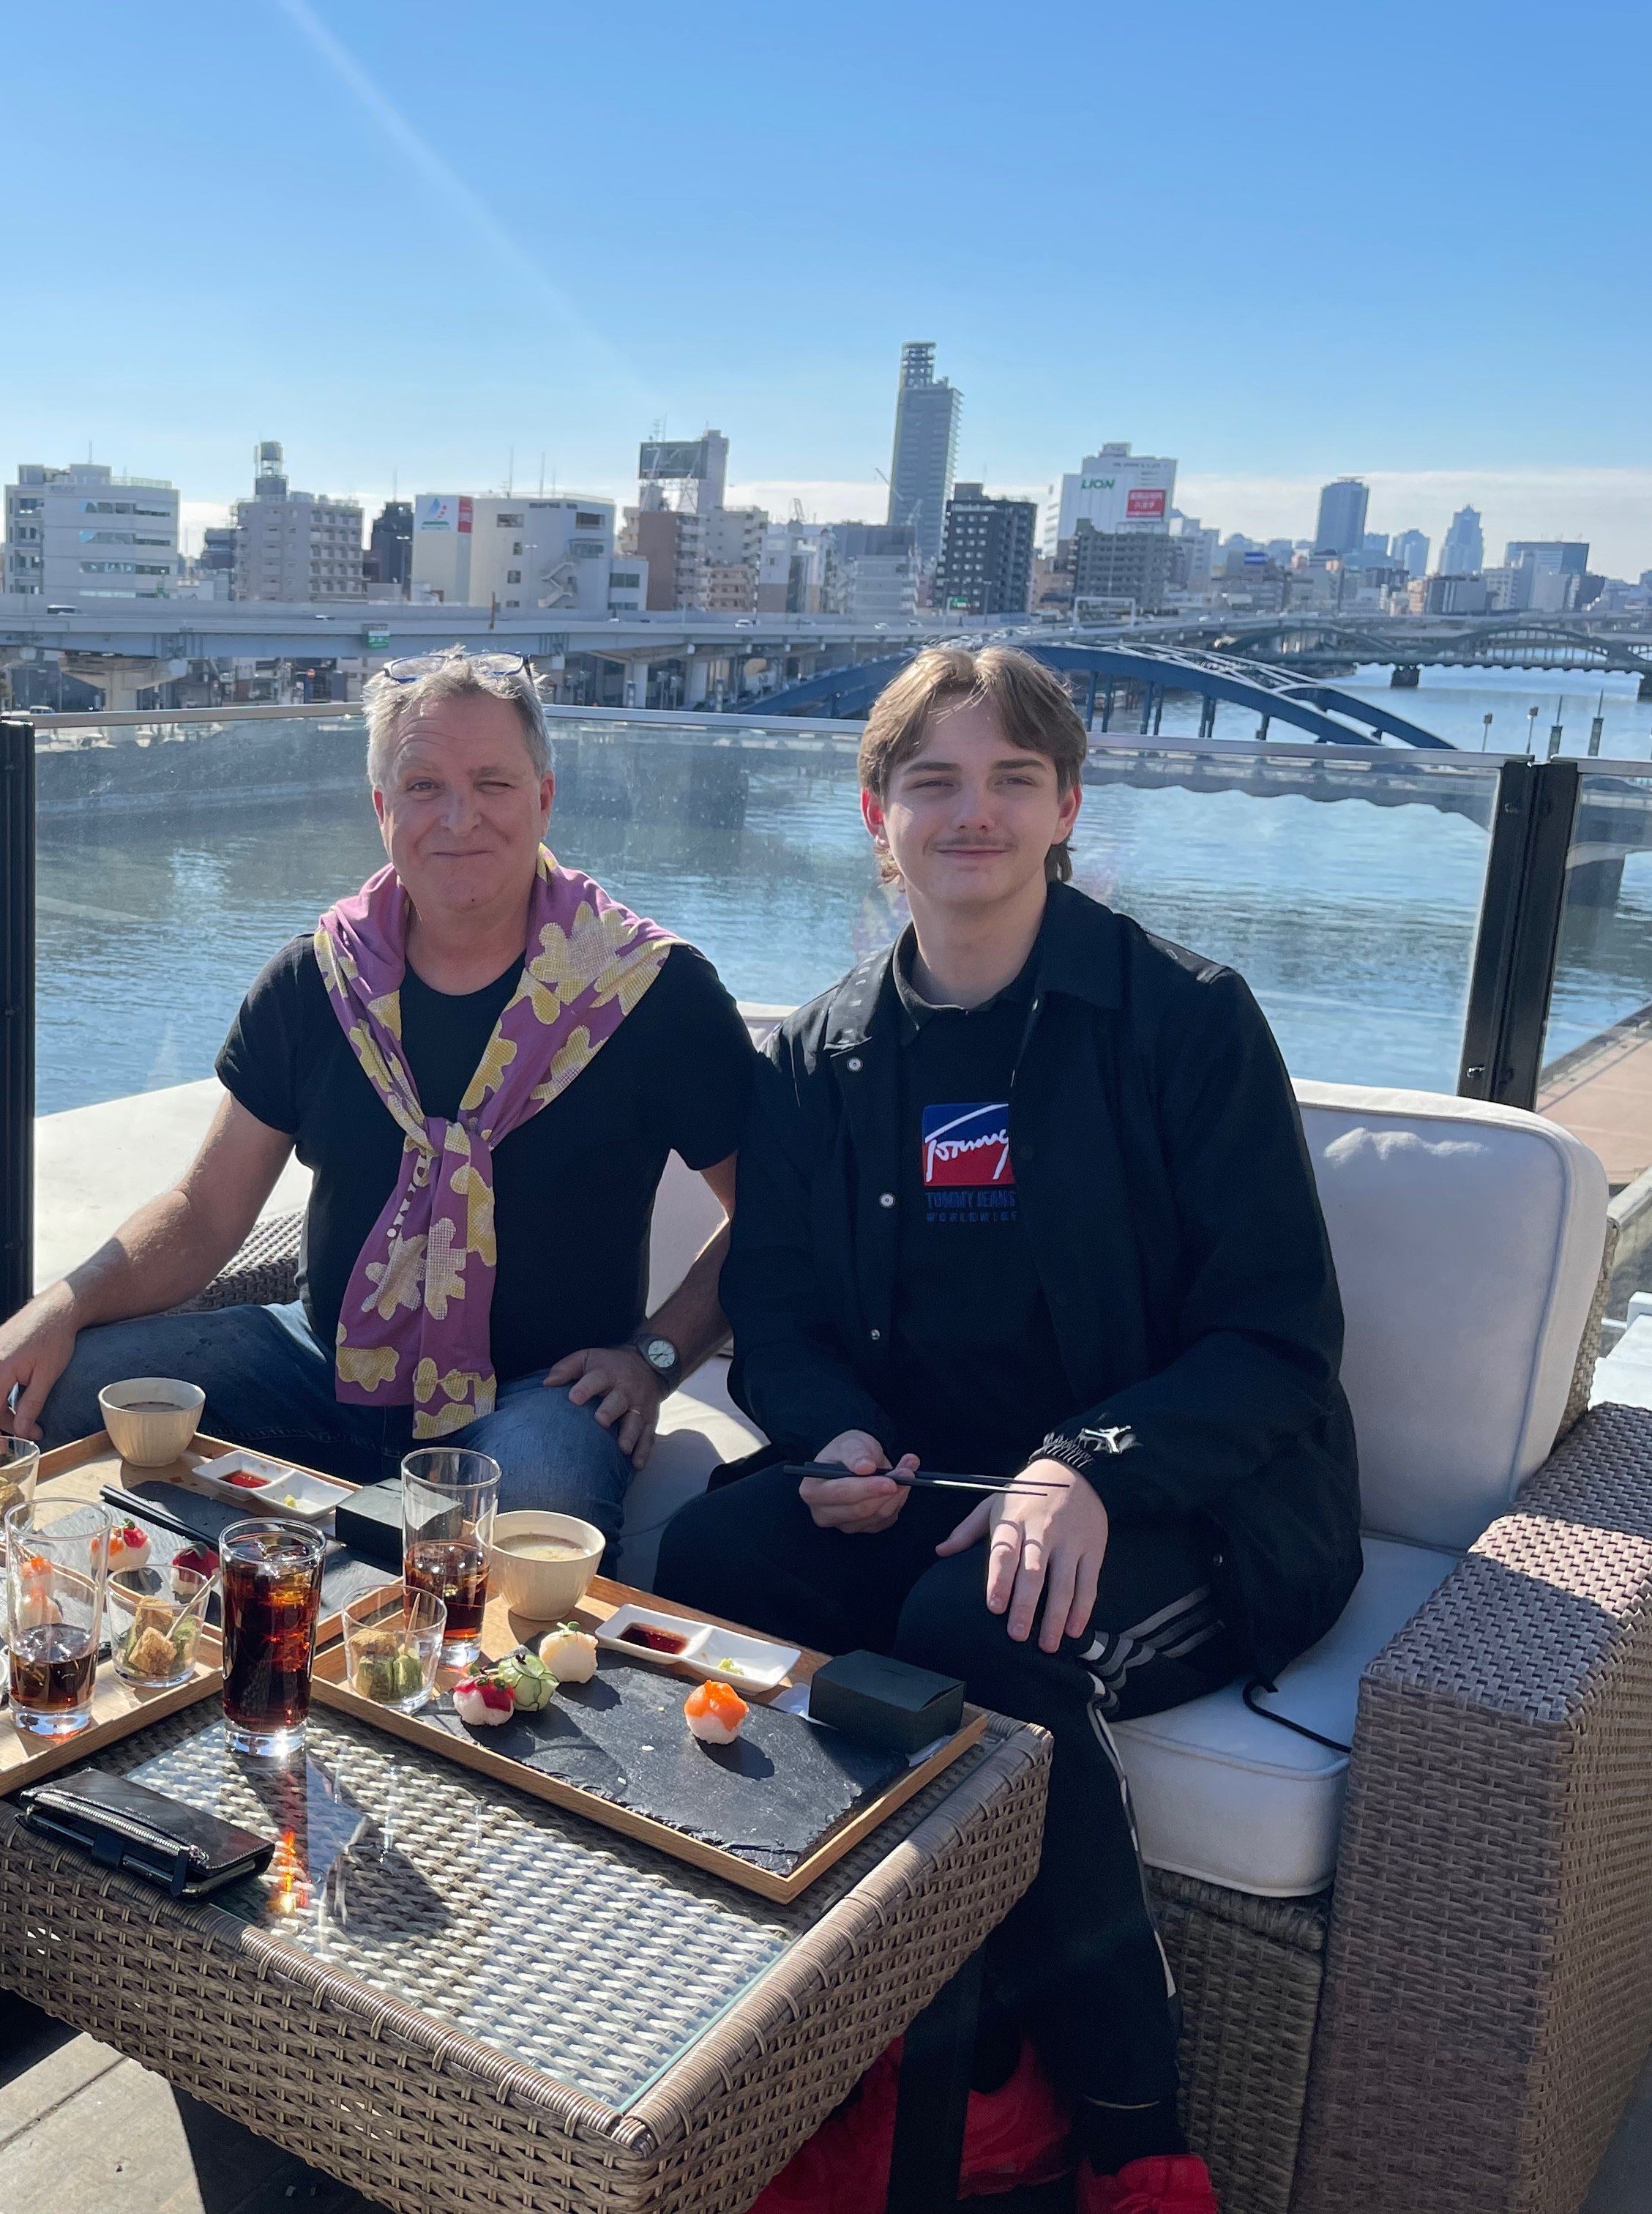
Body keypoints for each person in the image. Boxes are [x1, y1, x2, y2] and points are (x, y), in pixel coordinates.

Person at [653, 645, 1359, 2214]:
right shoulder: (826, 1053)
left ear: (1066, 810)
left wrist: (1087, 1466)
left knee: (980, 1617)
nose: (971, 815)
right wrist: (832, 1437)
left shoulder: (1179, 1022)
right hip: (930, 1483)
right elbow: (782, 1317)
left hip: (1199, 1492)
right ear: (876, 817)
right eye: (934, 783)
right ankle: (815, 2046)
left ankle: (1128, 2135)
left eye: (1010, 782)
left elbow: (1277, 1342)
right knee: (714, 1549)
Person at [0, 648, 756, 1549]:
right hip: (319, 1366)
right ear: (383, 811)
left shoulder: (650, 991)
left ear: (544, 799)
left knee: (532, 1501)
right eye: (423, 787)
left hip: (541, 1393)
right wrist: (60, 1306)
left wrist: (656, 1358)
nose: (459, 818)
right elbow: (203, 1213)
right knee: (73, 1386)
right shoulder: (318, 980)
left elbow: (768, 1210)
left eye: (492, 783)